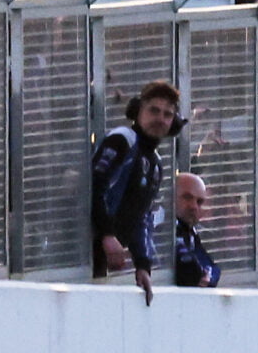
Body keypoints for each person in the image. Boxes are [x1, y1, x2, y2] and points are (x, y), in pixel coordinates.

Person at [91, 80, 181, 305]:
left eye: (167, 115)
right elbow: (95, 187)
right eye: (154, 110)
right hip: (87, 250)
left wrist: (143, 265)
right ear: (137, 111)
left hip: (108, 259)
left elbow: (142, 217)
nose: (160, 119)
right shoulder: (122, 140)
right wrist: (107, 235)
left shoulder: (156, 163)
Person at [173, 172, 221, 289]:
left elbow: (212, 267)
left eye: (199, 202)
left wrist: (208, 277)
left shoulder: (190, 232)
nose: (194, 206)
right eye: (187, 197)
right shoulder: (161, 229)